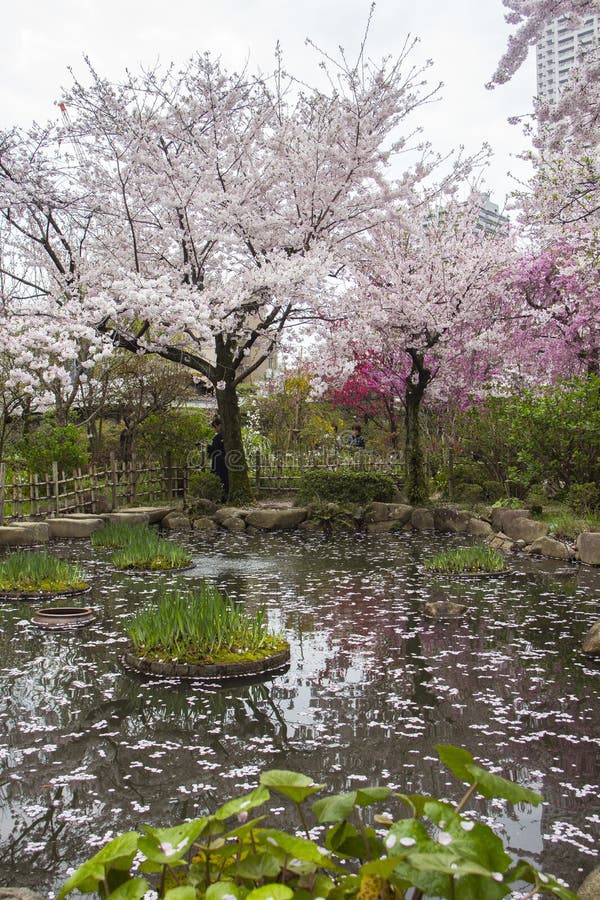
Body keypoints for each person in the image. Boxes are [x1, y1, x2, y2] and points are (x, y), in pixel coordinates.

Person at [207, 416, 229, 500]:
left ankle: (221, 497)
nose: (215, 430)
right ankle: (224, 495)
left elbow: (215, 449)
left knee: (220, 477)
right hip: (227, 460)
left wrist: (207, 446)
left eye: (214, 427)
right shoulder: (227, 435)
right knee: (225, 478)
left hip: (219, 461)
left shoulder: (218, 437)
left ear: (217, 425)